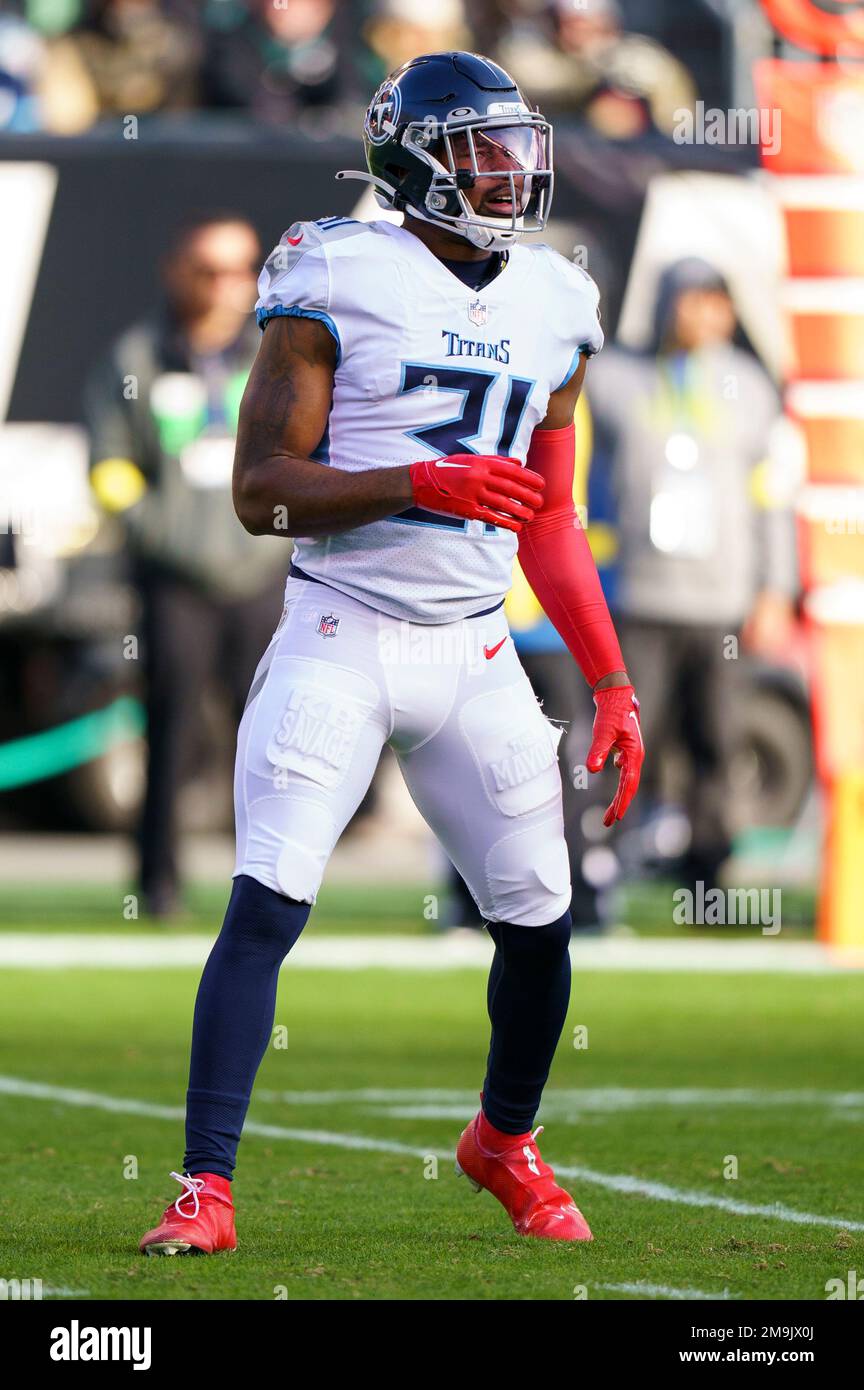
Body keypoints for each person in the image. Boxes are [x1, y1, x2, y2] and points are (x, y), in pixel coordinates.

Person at [139, 51, 644, 1256]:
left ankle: (503, 1140)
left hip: (475, 647)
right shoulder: (337, 270)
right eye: (481, 148)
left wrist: (613, 677)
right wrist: (416, 480)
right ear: (416, 161)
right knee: (269, 899)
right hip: (340, 627)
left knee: (539, 919)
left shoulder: (555, 299)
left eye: (517, 144)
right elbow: (261, 490)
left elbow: (554, 521)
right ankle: (206, 1186)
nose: (511, 170)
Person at [85, 213, 289, 918]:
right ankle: (158, 884)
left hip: (259, 570)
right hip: (175, 578)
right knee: (170, 732)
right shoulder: (138, 357)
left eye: (241, 269)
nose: (227, 286)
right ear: (179, 271)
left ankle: (270, 883)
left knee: (267, 738)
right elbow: (110, 462)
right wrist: (153, 527)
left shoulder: (274, 352)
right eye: (211, 269)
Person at [586, 257, 797, 892]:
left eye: (713, 301)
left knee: (716, 737)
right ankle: (607, 858)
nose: (700, 314)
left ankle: (707, 869)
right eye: (689, 299)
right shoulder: (619, 380)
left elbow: (773, 499)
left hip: (720, 598)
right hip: (642, 593)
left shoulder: (753, 390)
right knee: (630, 737)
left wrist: (776, 588)